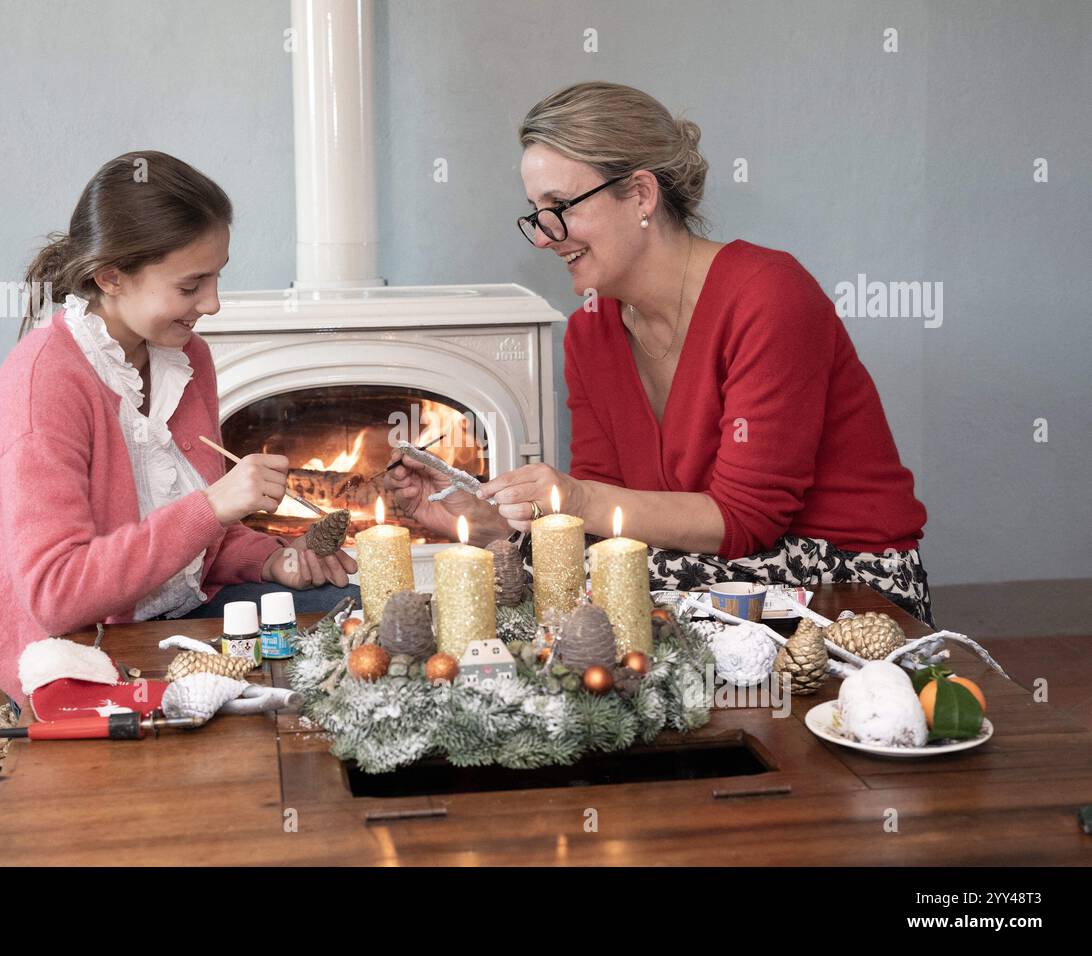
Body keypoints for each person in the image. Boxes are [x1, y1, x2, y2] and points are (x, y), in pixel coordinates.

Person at [386, 82, 933, 625]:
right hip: (704, 569)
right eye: (535, 212)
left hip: (848, 583)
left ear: (642, 195)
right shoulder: (591, 334)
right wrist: (491, 526)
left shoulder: (770, 296)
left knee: (564, 599)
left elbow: (747, 520)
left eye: (559, 207)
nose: (543, 238)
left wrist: (572, 500)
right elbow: (608, 518)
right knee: (555, 597)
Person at [0, 151, 357, 707]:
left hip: (180, 612)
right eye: (191, 284)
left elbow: (191, 547)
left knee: (357, 611)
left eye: (217, 276)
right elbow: (57, 595)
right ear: (112, 277)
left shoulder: (184, 356)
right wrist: (213, 506)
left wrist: (272, 561)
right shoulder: (44, 385)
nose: (213, 303)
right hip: (78, 653)